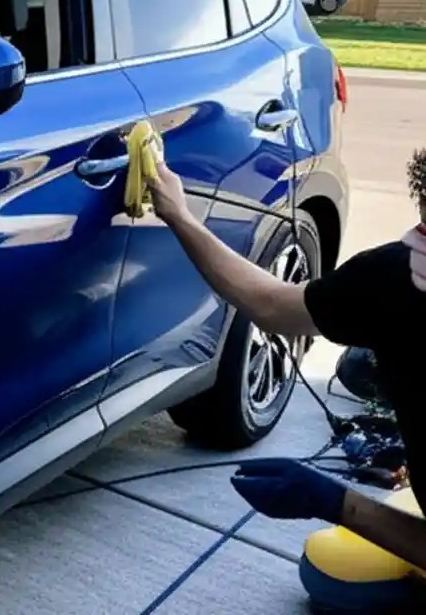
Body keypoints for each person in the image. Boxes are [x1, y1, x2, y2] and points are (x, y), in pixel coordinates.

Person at [144, 147, 426, 571]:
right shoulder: (395, 279)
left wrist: (338, 504)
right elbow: (272, 305)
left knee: (329, 578)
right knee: (357, 366)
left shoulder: (398, 281)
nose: (413, 240)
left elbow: (271, 305)